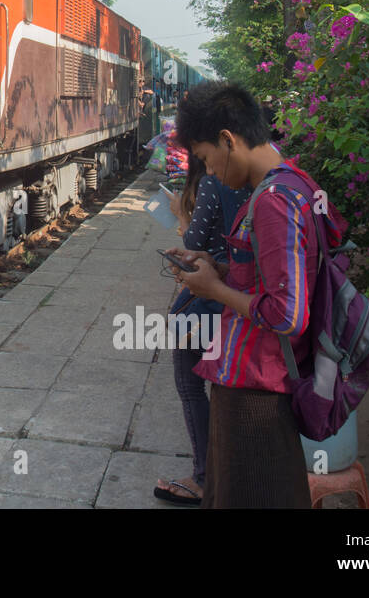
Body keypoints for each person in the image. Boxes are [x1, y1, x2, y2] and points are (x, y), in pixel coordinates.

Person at [165, 80, 340, 509]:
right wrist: (218, 266)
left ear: (228, 140)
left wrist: (214, 288)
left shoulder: (273, 201)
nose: (208, 172)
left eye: (206, 158)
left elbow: (287, 314)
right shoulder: (293, 182)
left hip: (256, 393)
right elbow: (276, 276)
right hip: (255, 384)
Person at [154, 156, 249, 506]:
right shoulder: (259, 180)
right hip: (235, 288)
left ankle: (204, 478)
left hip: (213, 298)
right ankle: (226, 470)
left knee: (190, 381)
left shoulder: (214, 180)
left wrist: (180, 210)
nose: (207, 166)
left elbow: (193, 239)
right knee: (225, 383)